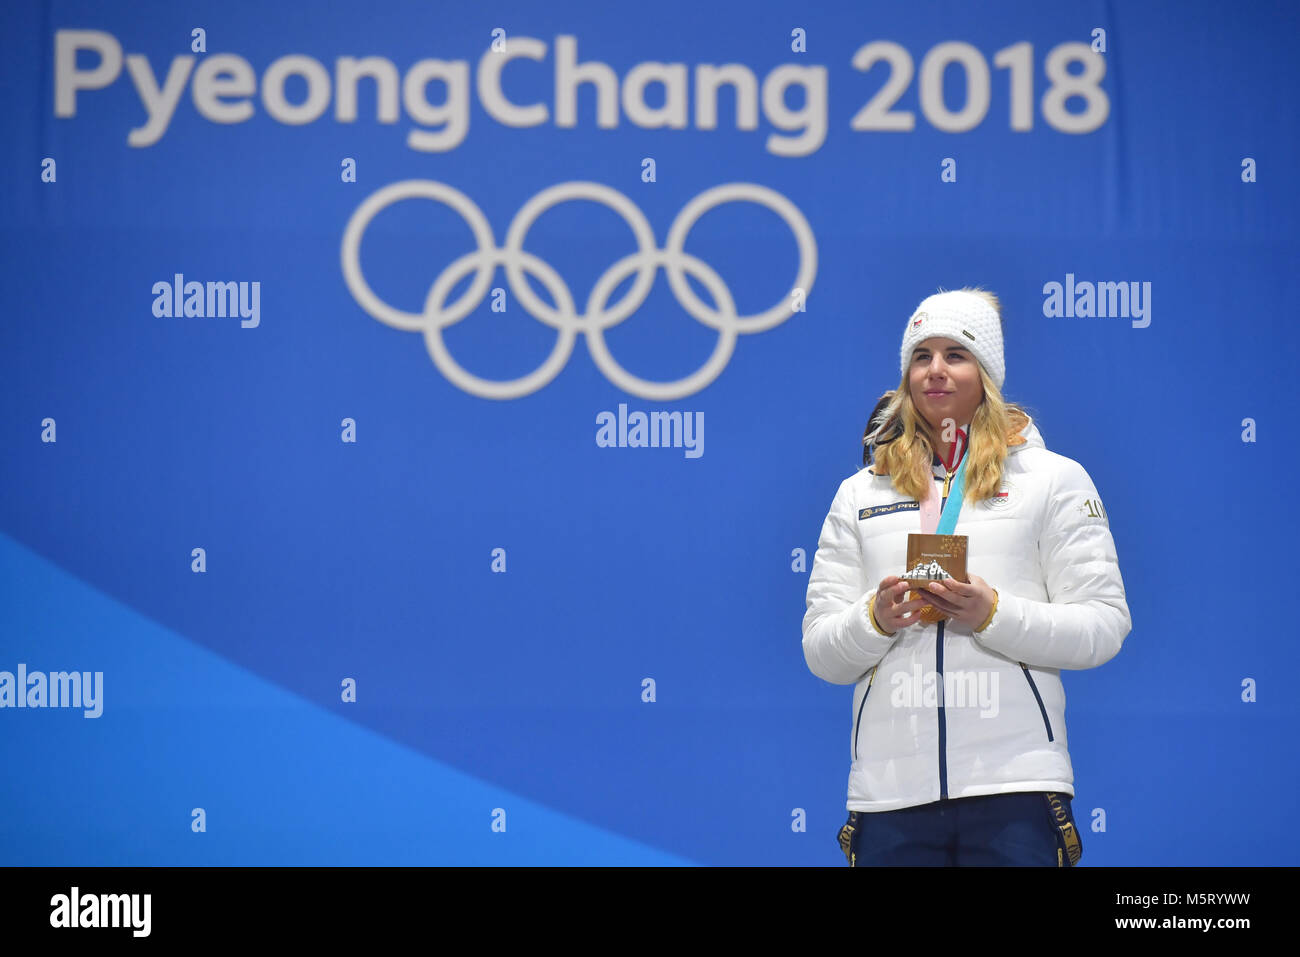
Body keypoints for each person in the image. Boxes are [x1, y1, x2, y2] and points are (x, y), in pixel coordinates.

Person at [801, 287, 1132, 866]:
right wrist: (872, 620)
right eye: (921, 355)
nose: (936, 370)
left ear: (987, 372)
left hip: (1016, 789)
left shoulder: (1054, 481)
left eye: (956, 354)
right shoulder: (859, 494)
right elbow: (821, 653)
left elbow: (1104, 626)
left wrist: (994, 615)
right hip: (889, 794)